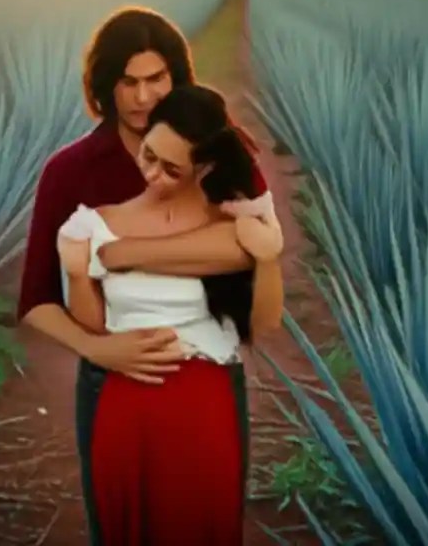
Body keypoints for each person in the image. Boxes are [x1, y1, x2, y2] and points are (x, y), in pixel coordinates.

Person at [15, 6, 275, 545]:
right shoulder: (70, 171)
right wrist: (100, 350)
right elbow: (37, 299)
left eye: (156, 79)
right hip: (111, 381)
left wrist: (116, 253)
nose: (141, 97)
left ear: (178, 78)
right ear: (105, 86)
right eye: (127, 82)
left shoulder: (226, 155)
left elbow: (252, 247)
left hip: (209, 380)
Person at [57, 83, 284, 544]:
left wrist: (268, 261)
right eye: (148, 155)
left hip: (204, 403)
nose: (153, 174)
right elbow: (94, 324)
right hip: (127, 398)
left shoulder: (233, 223)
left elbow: (265, 325)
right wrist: (77, 275)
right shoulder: (100, 219)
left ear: (203, 169)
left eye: (171, 168)